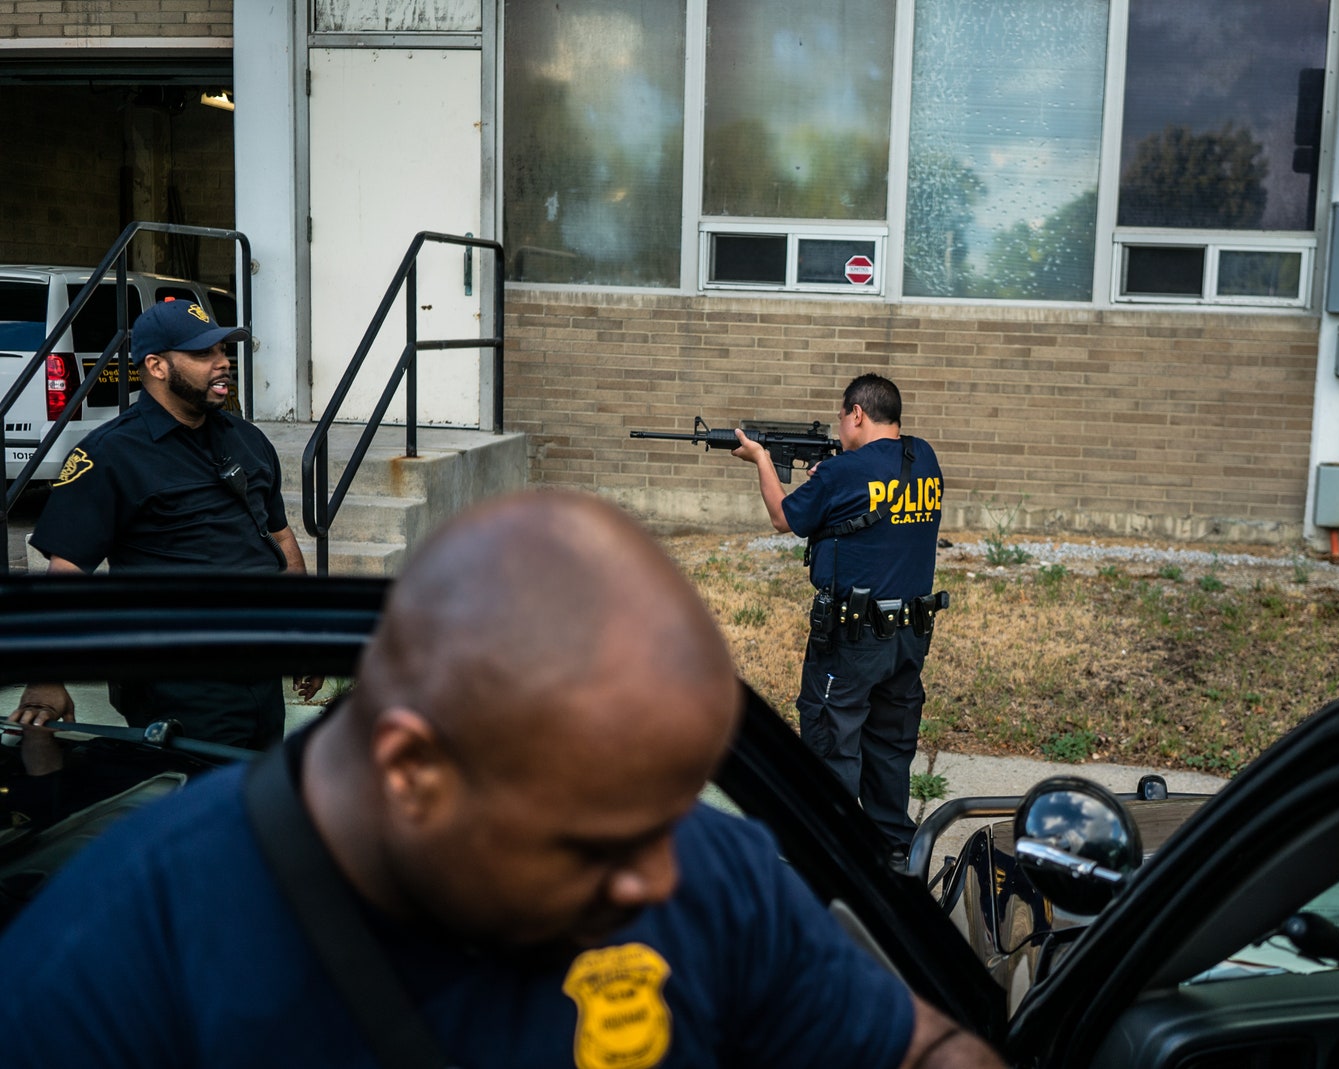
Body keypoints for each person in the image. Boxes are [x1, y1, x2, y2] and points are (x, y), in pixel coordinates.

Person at [0, 489, 1003, 1069]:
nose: (659, 878)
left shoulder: (712, 875)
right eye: (597, 841)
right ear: (412, 772)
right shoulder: (109, 970)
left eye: (674, 812)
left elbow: (913, 1050)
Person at [7, 296, 318, 749]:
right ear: (155, 366)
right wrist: (45, 679)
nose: (222, 363)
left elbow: (280, 537)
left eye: (223, 350)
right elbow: (66, 576)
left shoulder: (247, 440)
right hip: (177, 684)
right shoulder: (109, 455)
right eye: (202, 354)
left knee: (257, 799)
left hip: (258, 670)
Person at [731, 373, 946, 859]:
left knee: (832, 743)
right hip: (909, 635)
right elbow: (870, 502)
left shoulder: (841, 473)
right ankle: (895, 854)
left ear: (857, 414)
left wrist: (761, 459)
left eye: (841, 416)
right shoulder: (924, 457)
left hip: (852, 639)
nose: (840, 425)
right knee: (890, 748)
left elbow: (785, 517)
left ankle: (832, 858)